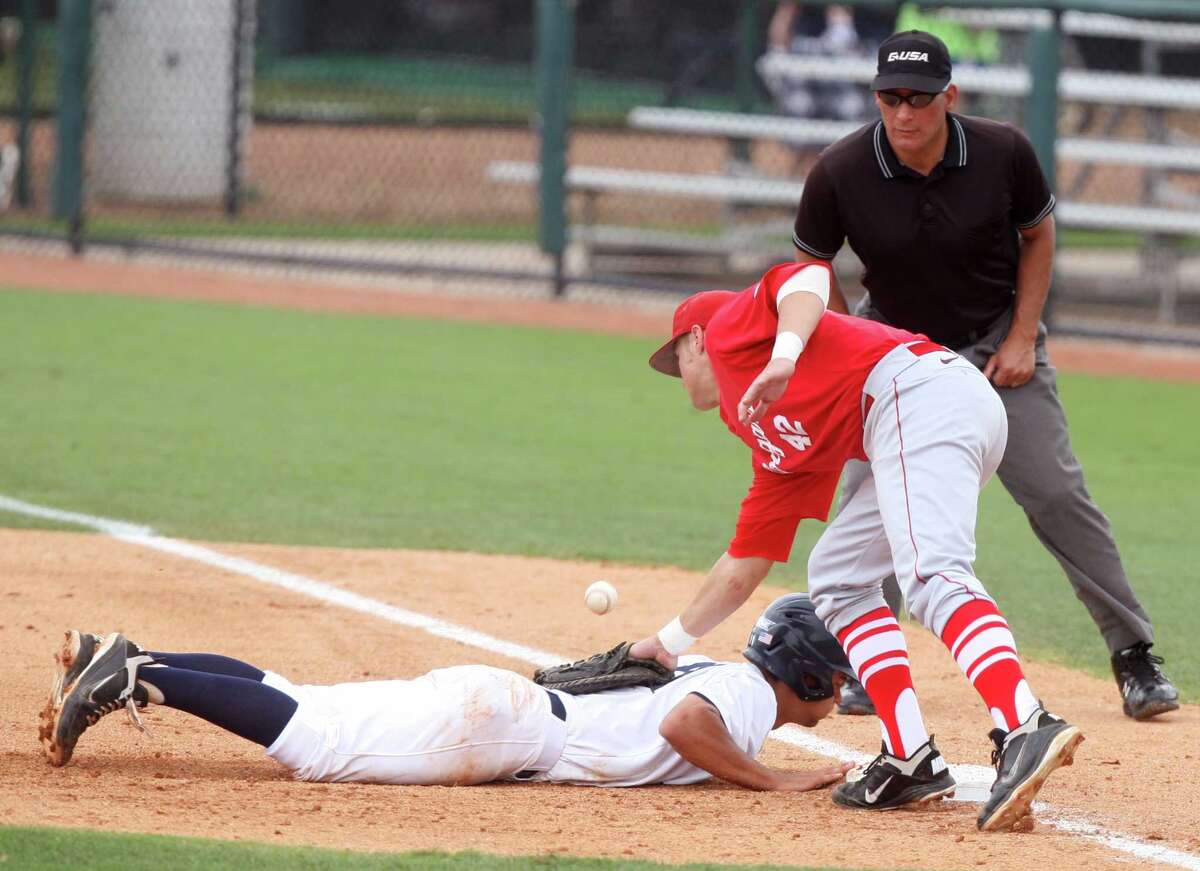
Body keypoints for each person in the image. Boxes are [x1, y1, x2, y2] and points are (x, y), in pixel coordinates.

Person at [789, 29, 1179, 722]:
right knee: (870, 505)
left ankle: (1133, 653)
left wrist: (1025, 334)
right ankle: (865, 660)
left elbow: (1039, 234)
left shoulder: (1002, 151)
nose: (904, 112)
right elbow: (810, 266)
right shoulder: (841, 169)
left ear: (950, 97)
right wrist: (851, 348)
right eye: (890, 97)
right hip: (897, 355)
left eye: (919, 97)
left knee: (1057, 493)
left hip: (996, 346)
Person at [629, 261, 1084, 831]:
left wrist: (783, 355)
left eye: (676, 356)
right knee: (838, 577)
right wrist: (668, 643)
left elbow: (809, 278)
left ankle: (1025, 723)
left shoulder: (730, 333)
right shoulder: (768, 431)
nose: (678, 372)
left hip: (920, 394)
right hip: (919, 414)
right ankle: (909, 756)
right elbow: (746, 561)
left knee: (931, 569)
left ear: (697, 338)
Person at [39, 594, 855, 791]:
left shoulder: (730, 673)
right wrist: (774, 780)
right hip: (506, 730)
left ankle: (132, 655)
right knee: (320, 746)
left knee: (307, 701)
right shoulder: (748, 695)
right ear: (811, 675)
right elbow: (684, 723)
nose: (841, 692)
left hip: (504, 710)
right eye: (838, 677)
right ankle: (140, 676)